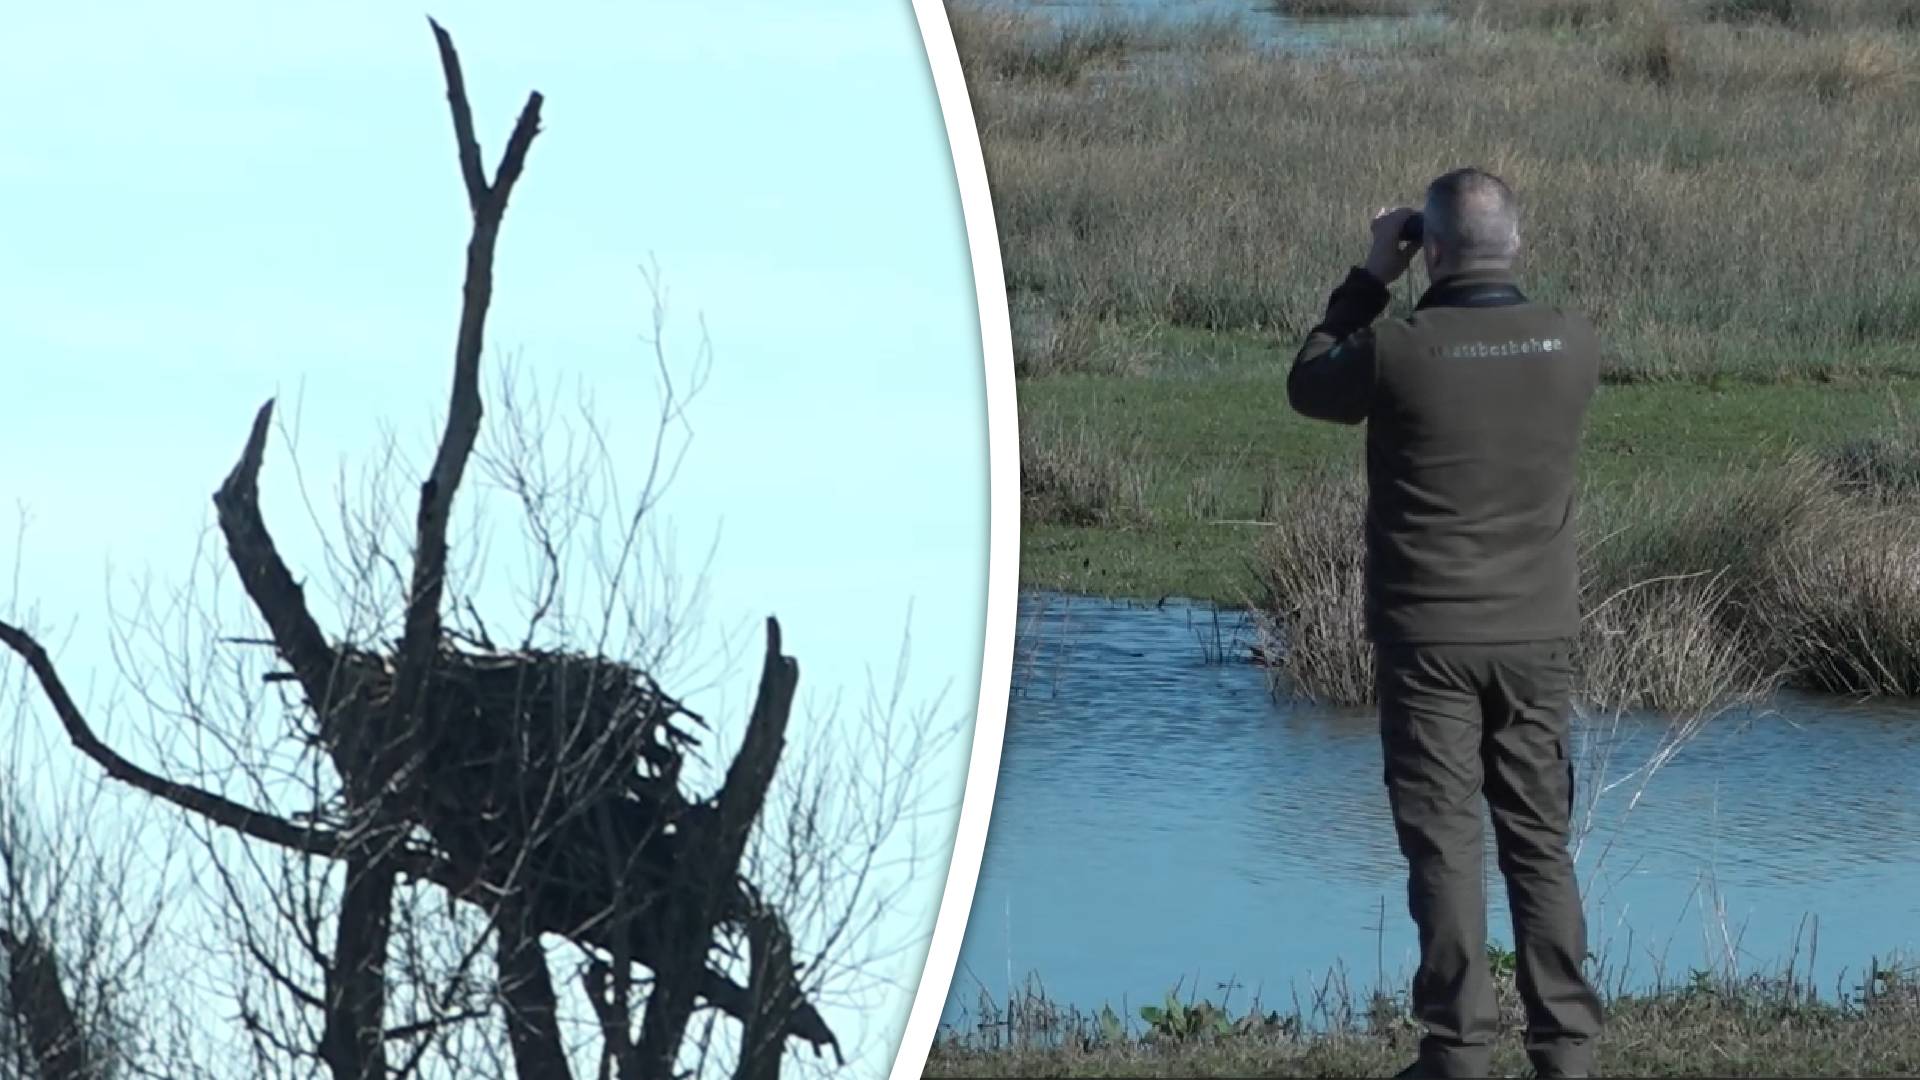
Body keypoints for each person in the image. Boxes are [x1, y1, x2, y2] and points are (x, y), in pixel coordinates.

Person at [1285, 167, 1605, 1079]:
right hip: (1539, 637)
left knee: (1445, 845)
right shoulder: (1571, 343)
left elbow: (1310, 382)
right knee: (1538, 842)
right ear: (1516, 242)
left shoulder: (1397, 348)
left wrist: (1369, 277)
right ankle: (1567, 1051)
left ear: (1429, 249)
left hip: (1427, 637)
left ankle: (1458, 1053)